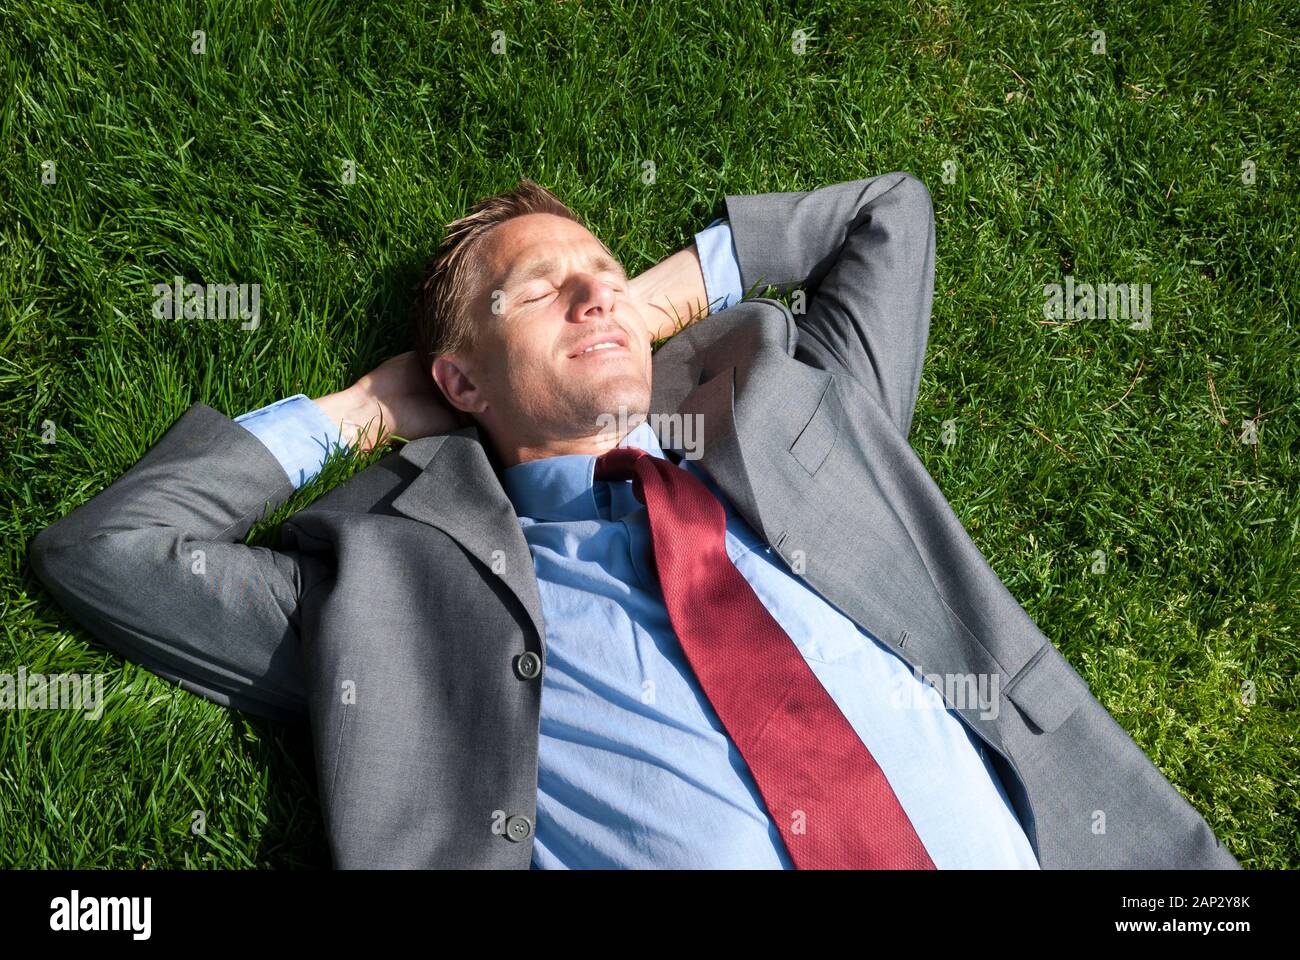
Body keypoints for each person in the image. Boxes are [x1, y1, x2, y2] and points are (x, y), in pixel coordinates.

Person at [28, 174, 1241, 869]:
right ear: (459, 381)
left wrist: (641, 306)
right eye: (538, 291)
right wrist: (356, 412)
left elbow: (887, 215)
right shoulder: (387, 596)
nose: (591, 285)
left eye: (598, 263)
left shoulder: (796, 421)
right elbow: (107, 557)